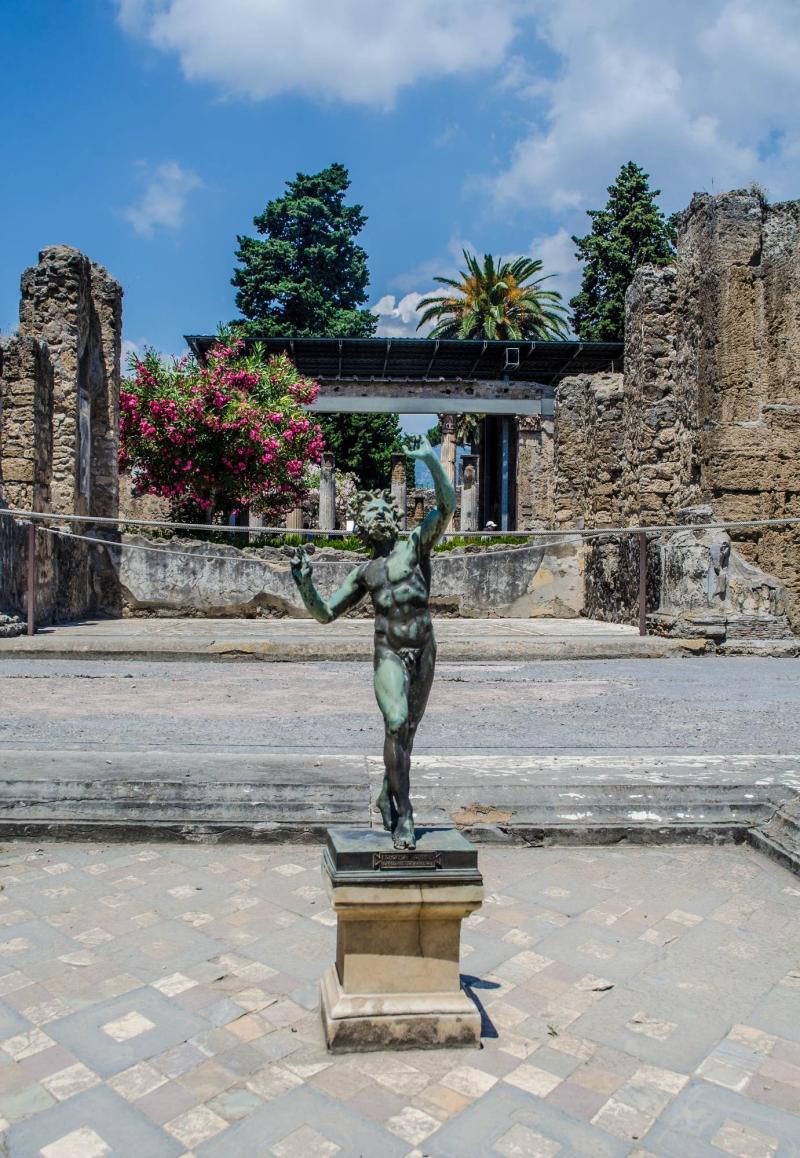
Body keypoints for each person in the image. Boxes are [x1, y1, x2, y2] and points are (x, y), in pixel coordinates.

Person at [286, 435, 455, 850]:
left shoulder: (416, 547)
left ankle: (386, 794)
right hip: (389, 654)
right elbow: (326, 613)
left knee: (407, 734)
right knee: (396, 723)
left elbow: (447, 506)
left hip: (424, 649)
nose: (378, 514)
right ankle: (405, 814)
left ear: (394, 517)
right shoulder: (364, 573)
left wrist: (430, 460)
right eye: (370, 510)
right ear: (361, 524)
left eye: (384, 509)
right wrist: (304, 584)